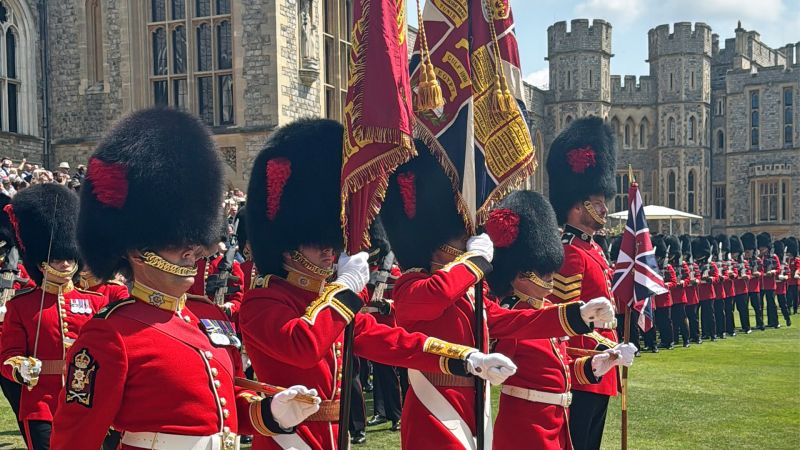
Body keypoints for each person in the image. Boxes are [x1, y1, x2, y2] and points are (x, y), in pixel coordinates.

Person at [50, 108, 322, 450]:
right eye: (177, 243)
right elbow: (75, 438)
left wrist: (271, 412)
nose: (192, 251)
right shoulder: (110, 335)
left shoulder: (207, 318)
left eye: (193, 241)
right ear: (136, 251)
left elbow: (217, 409)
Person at [239, 118, 518, 450]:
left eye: (334, 242)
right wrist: (344, 288)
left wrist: (466, 358)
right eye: (321, 244)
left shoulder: (326, 300)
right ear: (288, 244)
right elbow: (303, 346)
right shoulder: (262, 302)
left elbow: (393, 342)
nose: (331, 252)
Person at [380, 137, 614, 450]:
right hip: (433, 407)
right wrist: (473, 262)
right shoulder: (412, 285)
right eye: (464, 241)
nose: (468, 244)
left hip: (475, 407)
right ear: (438, 243)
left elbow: (517, 322)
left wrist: (577, 315)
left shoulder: (468, 293)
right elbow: (435, 295)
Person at [486, 190, 636, 450]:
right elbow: (559, 316)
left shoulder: (547, 306)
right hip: (527, 426)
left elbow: (562, 362)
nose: (549, 277)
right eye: (598, 203)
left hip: (557, 419)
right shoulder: (517, 312)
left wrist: (600, 361)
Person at [0, 184, 108, 450]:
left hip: (89, 400)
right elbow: (6, 357)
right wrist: (21, 367)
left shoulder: (97, 302)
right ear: (40, 262)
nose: (66, 264)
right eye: (58, 258)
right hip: (41, 404)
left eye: (70, 257)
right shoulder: (22, 306)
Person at [363, 219, 405, 433]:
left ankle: (397, 415)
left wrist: (388, 306)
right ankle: (381, 411)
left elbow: (403, 303)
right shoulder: (366, 268)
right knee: (379, 373)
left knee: (390, 375)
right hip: (370, 327)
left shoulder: (393, 271)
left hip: (388, 327)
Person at [666, 235, 691, 348]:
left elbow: (687, 278)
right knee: (673, 319)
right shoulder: (665, 265)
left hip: (680, 295)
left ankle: (686, 339)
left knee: (682, 318)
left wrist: (683, 282)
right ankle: (675, 338)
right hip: (670, 295)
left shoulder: (682, 264)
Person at [693, 237, 718, 341]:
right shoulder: (694, 264)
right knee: (700, 316)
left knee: (709, 315)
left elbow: (716, 276)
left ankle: (713, 334)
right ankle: (704, 333)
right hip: (698, 292)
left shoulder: (710, 264)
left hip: (708, 293)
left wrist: (710, 278)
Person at [652, 236, 674, 350]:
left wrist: (664, 285)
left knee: (667, 322)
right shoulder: (653, 268)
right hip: (656, 299)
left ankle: (669, 341)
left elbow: (673, 282)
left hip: (665, 299)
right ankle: (663, 341)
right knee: (659, 323)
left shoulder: (668, 267)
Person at [757, 232, 781, 329]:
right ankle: (760, 323)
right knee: (760, 305)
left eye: (763, 248)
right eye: (760, 248)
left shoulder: (773, 257)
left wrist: (773, 272)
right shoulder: (758, 258)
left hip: (770, 284)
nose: (761, 250)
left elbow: (779, 269)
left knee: (771, 304)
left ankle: (774, 322)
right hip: (760, 284)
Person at [742, 232, 764, 330]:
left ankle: (760, 323)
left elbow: (762, 272)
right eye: (746, 251)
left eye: (749, 251)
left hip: (755, 287)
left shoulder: (757, 260)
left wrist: (758, 274)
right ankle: (746, 326)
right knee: (744, 308)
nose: (748, 253)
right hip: (745, 287)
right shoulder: (742, 262)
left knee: (757, 307)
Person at [730, 235, 751, 334]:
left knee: (743, 309)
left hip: (742, 289)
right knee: (731, 310)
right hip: (732, 289)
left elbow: (749, 274)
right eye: (732, 253)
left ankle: (746, 327)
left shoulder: (744, 262)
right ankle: (731, 328)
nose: (734, 255)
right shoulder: (729, 263)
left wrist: (745, 276)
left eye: (735, 253)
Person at [773, 240, 791, 327]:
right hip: (773, 284)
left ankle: (787, 318)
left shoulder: (784, 263)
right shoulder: (773, 261)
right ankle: (775, 321)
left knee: (783, 304)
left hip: (781, 286)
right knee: (773, 305)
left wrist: (784, 277)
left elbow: (788, 274)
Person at [786, 237, 799, 314]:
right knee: (788, 297)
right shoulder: (786, 260)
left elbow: (798, 268)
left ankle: (795, 309)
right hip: (788, 281)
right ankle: (789, 309)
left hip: (795, 281)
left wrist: (797, 273)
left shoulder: (796, 260)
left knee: (795, 297)